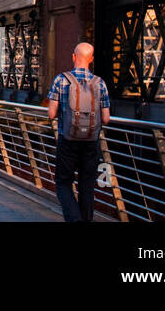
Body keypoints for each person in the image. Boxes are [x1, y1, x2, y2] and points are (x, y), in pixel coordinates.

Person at [47, 42, 111, 222]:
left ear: (74, 57)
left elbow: (51, 114)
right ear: (91, 59)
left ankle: (74, 219)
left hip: (67, 139)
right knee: (87, 185)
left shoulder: (61, 80)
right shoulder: (100, 84)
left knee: (63, 183)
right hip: (91, 141)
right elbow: (106, 119)